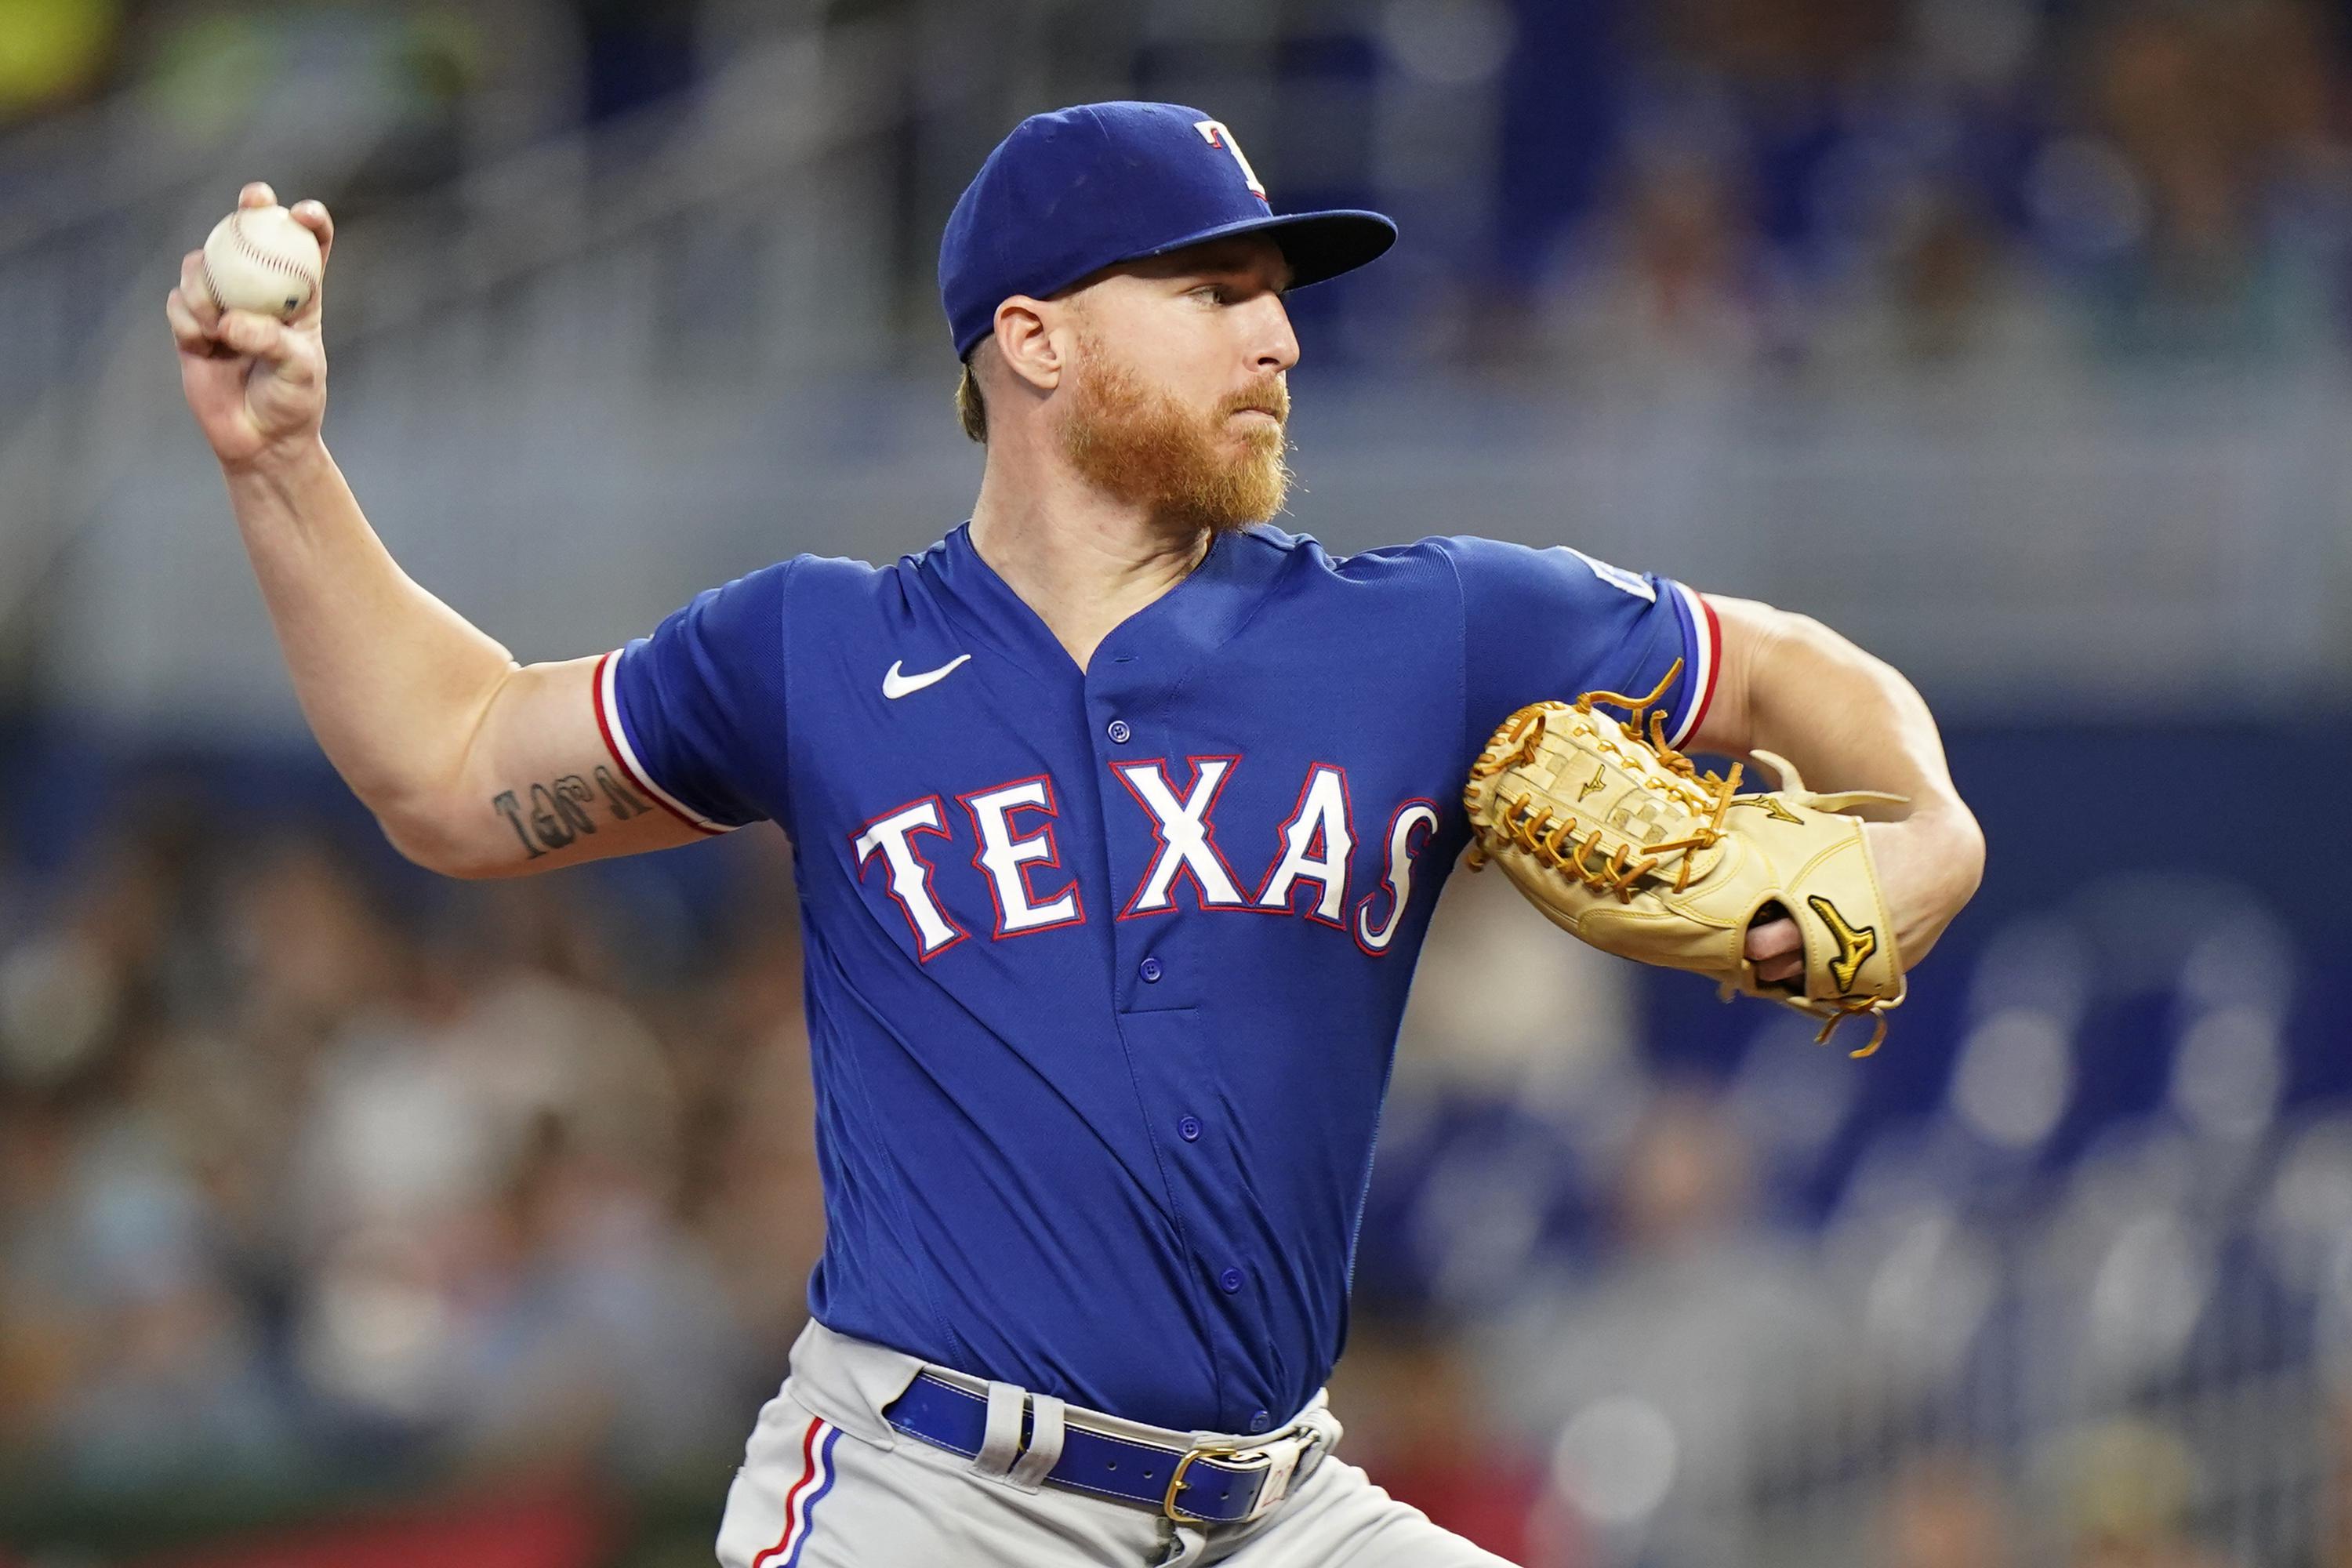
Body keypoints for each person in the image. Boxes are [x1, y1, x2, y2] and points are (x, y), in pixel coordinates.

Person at [164, 101, 1984, 1568]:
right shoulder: (818, 650)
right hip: (926, 1495)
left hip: (1277, 1502)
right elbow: (453, 765)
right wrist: (280, 468)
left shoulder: (1421, 628)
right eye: (1208, 289)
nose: (1277, 333)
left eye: (1278, 292)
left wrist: (1923, 845)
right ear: (1030, 337)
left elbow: (1798, 671)